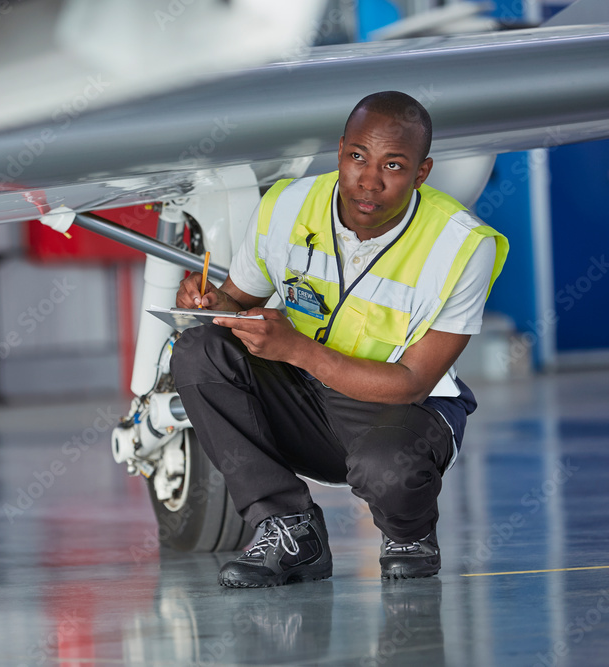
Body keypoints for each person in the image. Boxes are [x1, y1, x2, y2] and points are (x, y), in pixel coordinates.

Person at [171, 91, 508, 587]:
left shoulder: (461, 245)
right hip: (303, 399)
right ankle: (289, 529)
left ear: (421, 172)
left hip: (398, 414)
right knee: (200, 351)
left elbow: (413, 382)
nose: (368, 182)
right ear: (340, 153)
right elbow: (236, 302)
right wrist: (211, 304)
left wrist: (297, 349)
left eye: (393, 166)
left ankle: (409, 535)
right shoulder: (286, 205)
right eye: (357, 158)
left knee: (387, 466)